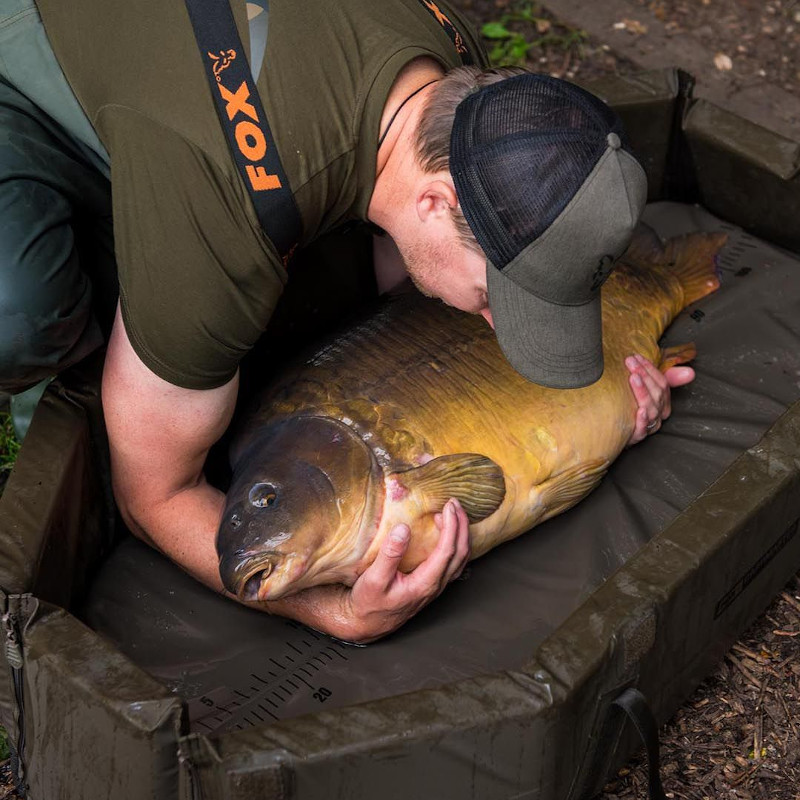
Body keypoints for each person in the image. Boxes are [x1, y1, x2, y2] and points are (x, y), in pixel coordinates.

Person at [0, 0, 693, 642]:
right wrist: (337, 613)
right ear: (435, 202)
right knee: (20, 315)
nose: (489, 323)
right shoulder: (226, 219)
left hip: (182, 82)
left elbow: (397, 271)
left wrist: (594, 415)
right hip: (35, 45)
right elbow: (154, 497)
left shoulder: (459, 78)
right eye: (493, 296)